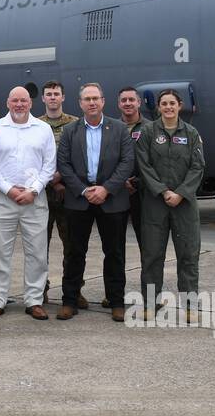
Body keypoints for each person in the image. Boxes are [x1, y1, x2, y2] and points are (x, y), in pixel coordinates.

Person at [56, 84, 134, 321]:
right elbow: (64, 165)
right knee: (74, 252)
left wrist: (106, 189)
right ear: (80, 103)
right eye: (87, 99)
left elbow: (127, 162)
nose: (91, 103)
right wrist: (83, 190)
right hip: (79, 200)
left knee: (114, 252)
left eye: (95, 98)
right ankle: (70, 300)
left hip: (111, 200)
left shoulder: (119, 129)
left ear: (103, 101)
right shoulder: (70, 130)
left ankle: (116, 302)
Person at [0, 86, 55, 320]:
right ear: (8, 103)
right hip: (4, 200)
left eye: (24, 100)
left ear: (31, 103)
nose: (20, 104)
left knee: (37, 252)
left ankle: (34, 300)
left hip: (35, 199)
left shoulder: (43, 129)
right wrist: (9, 189)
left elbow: (49, 165)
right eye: (15, 101)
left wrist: (33, 190)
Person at [133, 88, 206, 319]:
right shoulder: (148, 132)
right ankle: (150, 304)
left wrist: (181, 193)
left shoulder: (191, 133)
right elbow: (143, 165)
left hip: (184, 204)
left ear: (179, 105)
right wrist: (163, 191)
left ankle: (190, 305)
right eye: (164, 103)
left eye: (172, 103)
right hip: (155, 203)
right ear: (158, 107)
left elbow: (198, 166)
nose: (168, 107)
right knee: (152, 255)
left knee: (188, 254)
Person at [37, 80, 80, 306]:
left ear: (63, 97)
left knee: (72, 247)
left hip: (67, 195)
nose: (52, 98)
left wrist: (61, 178)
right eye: (48, 94)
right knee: (39, 246)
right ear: (43, 99)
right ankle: (39, 291)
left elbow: (78, 156)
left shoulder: (75, 124)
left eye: (56, 94)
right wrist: (50, 181)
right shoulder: (34, 124)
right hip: (41, 195)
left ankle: (73, 291)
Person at [116, 86, 148, 271]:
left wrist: (136, 181)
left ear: (139, 102)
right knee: (115, 247)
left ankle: (150, 295)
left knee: (148, 247)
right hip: (117, 194)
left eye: (131, 99)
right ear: (119, 104)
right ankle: (114, 296)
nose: (128, 103)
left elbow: (153, 162)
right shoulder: (111, 127)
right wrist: (120, 181)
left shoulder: (151, 128)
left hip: (142, 194)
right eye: (124, 100)